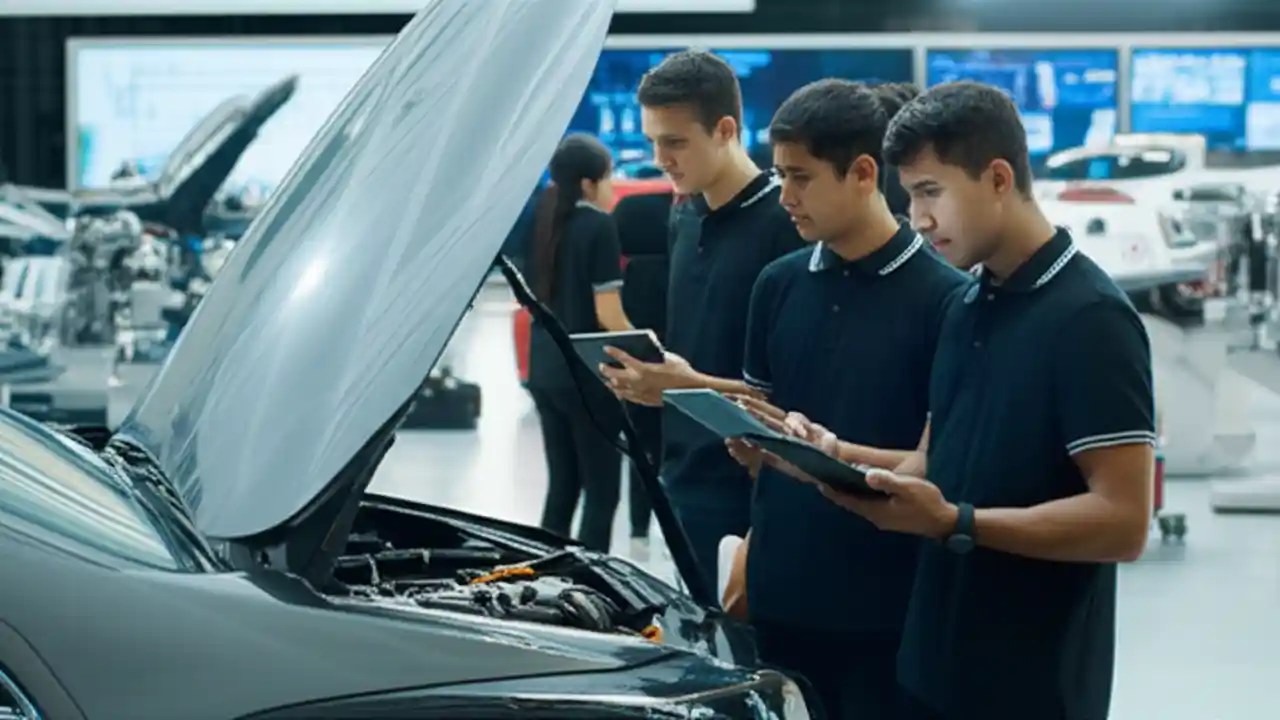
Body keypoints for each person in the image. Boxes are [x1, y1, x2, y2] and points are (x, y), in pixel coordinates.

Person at [769, 81, 1156, 720]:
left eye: (930, 193)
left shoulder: (1091, 318)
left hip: (1032, 682)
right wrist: (826, 455)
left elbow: (1123, 520)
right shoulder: (966, 303)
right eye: (910, 195)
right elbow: (932, 463)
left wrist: (958, 524)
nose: (917, 219)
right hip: (932, 666)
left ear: (998, 178)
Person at [722, 78, 969, 720]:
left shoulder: (947, 302)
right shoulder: (775, 287)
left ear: (863, 173)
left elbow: (940, 465)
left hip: (884, 612)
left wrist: (829, 453)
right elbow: (762, 424)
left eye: (801, 178)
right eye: (779, 175)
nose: (785, 198)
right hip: (780, 602)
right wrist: (751, 443)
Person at [598, 49, 805, 589]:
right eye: (652, 142)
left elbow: (798, 391)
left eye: (675, 142)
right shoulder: (684, 215)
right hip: (681, 479)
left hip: (751, 488)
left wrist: (684, 385)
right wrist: (654, 382)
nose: (661, 158)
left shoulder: (785, 227)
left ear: (725, 130)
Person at [525, 133, 633, 554]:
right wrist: (647, 345)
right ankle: (592, 591)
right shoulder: (599, 226)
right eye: (609, 178)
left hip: (545, 371)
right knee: (602, 492)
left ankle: (541, 578)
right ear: (590, 183)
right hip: (587, 376)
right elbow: (608, 315)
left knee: (562, 487)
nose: (612, 188)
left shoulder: (544, 221)